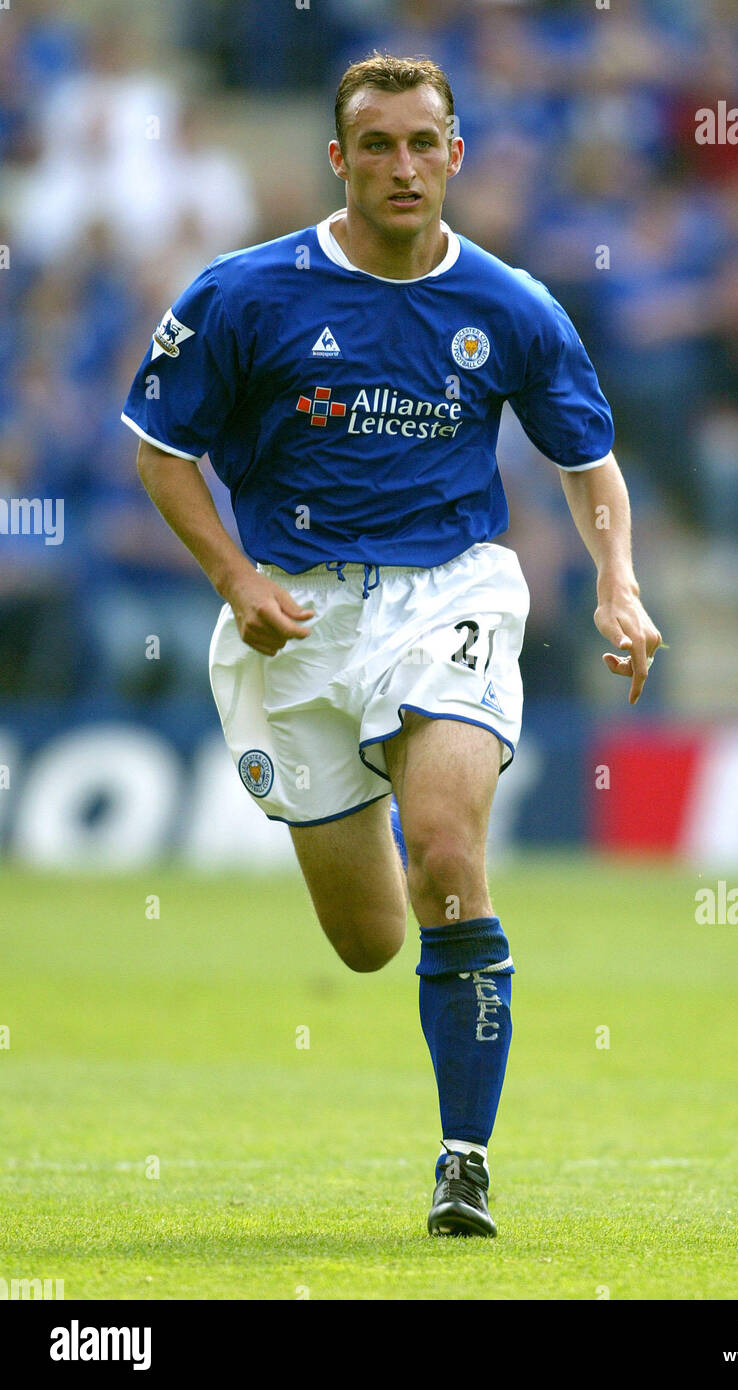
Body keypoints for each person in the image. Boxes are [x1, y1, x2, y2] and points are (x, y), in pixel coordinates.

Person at [121, 53, 662, 1238]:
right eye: (377, 144)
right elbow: (162, 451)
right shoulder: (245, 294)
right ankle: (357, 786)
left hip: (448, 592)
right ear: (339, 159)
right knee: (368, 942)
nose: (402, 165)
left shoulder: (511, 305)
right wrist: (234, 573)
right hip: (295, 618)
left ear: (455, 156)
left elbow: (587, 467)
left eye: (424, 143)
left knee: (445, 852)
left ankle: (462, 1160)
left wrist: (618, 584)